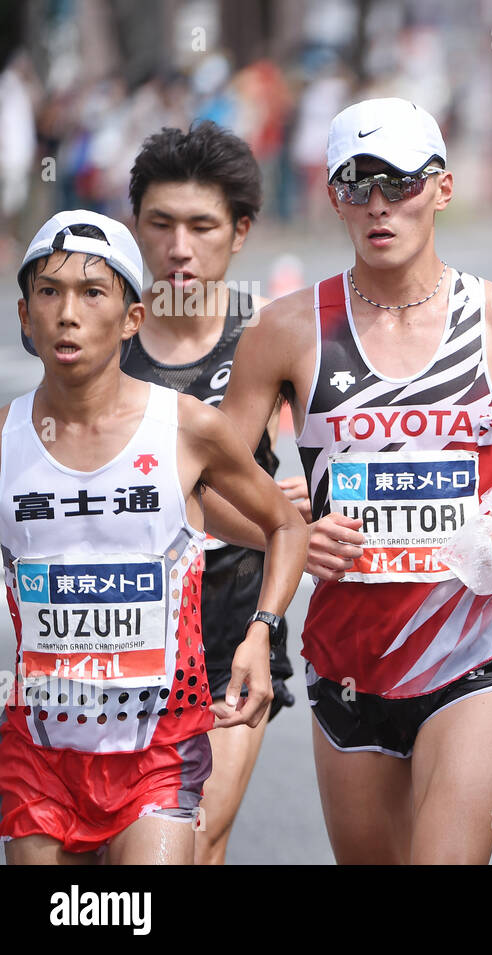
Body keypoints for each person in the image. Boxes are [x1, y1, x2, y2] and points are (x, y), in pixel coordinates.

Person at [218, 98, 492, 864]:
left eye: (399, 182)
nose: (378, 205)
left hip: (472, 655)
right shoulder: (288, 329)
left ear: (443, 187)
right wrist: (284, 526)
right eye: (356, 184)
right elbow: (209, 485)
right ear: (332, 196)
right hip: (347, 662)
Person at [0, 210, 307, 864]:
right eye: (48, 293)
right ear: (25, 317)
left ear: (133, 317)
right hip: (39, 755)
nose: (67, 313)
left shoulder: (185, 428)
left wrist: (261, 631)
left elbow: (282, 524)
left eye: (92, 292)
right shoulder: (5, 439)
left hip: (159, 752)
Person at [123, 120, 308, 865]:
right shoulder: (100, 338)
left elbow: (350, 452)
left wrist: (300, 504)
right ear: (135, 225)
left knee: (192, 833)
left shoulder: (268, 341)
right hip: (122, 628)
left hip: (233, 623)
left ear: (240, 233)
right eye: (160, 224)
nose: (179, 248)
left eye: (202, 226)